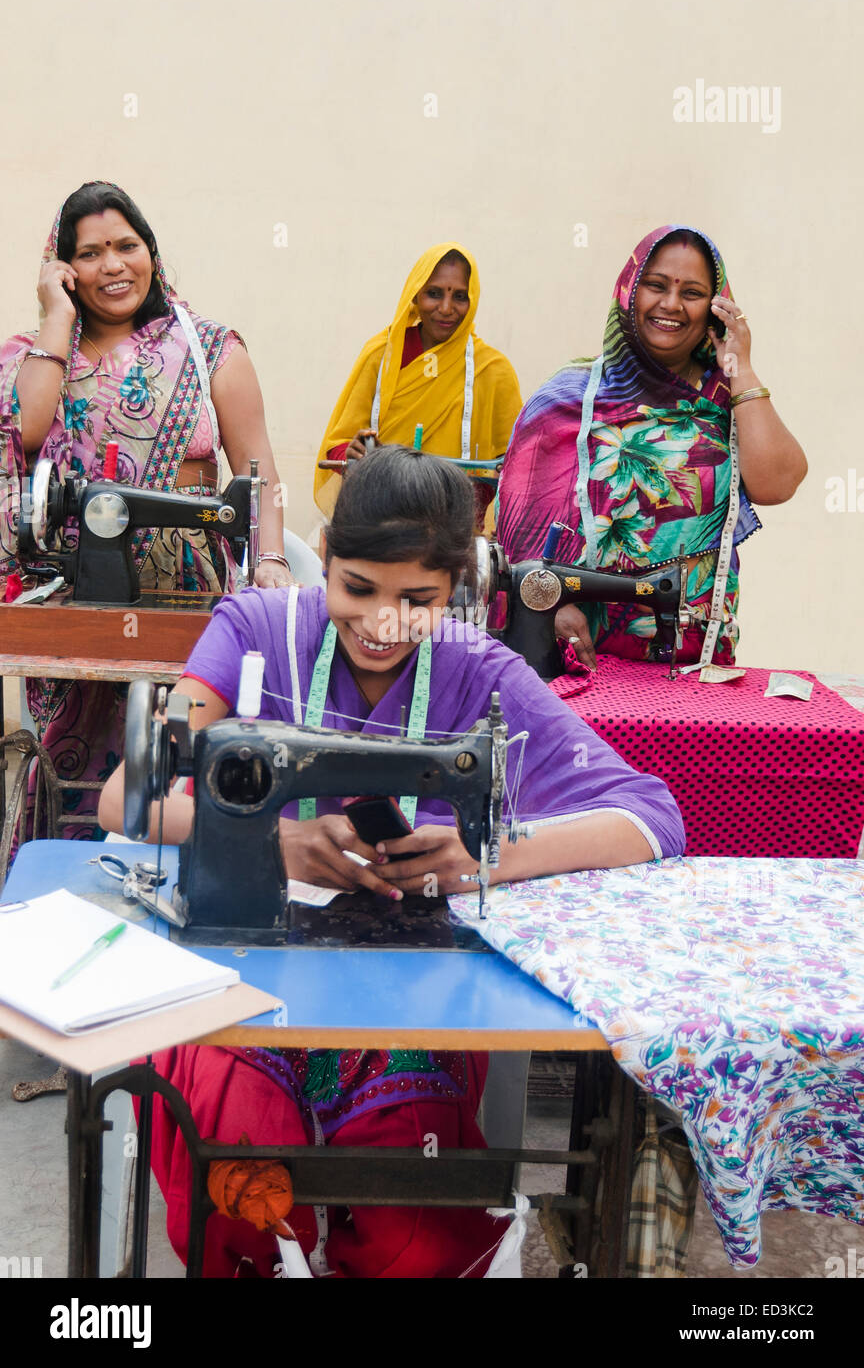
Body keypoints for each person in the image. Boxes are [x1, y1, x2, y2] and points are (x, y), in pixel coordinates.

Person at [99, 446, 686, 1278]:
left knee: (414, 1203)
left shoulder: (480, 674)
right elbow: (127, 798)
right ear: (326, 562)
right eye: (358, 588)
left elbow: (652, 820)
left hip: (406, 993)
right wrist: (271, 840)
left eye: (419, 601)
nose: (382, 624)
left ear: (459, 592)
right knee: (237, 1146)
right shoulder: (254, 629)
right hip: (240, 969)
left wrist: (483, 855)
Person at [0, 181, 292, 835]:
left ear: (151, 254)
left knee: (178, 761)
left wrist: (269, 558)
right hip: (72, 592)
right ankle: (66, 884)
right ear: (62, 266)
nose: (113, 265)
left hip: (191, 601)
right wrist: (56, 317)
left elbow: (261, 475)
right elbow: (23, 431)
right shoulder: (34, 354)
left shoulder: (213, 348)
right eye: (91, 252)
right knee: (73, 781)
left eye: (126, 246)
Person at [496, 225, 807, 669]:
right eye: (656, 286)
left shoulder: (727, 399)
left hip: (694, 660)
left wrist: (742, 365)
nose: (672, 305)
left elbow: (778, 483)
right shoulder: (569, 398)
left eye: (693, 292)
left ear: (716, 308)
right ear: (628, 292)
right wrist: (546, 605)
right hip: (577, 650)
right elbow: (521, 525)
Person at [313, 242, 522, 525]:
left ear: (472, 301)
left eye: (460, 296)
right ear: (415, 296)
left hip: (454, 536)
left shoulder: (493, 370)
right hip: (380, 526)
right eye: (433, 294)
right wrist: (356, 453)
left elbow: (513, 464)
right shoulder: (381, 357)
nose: (446, 309)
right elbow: (336, 446)